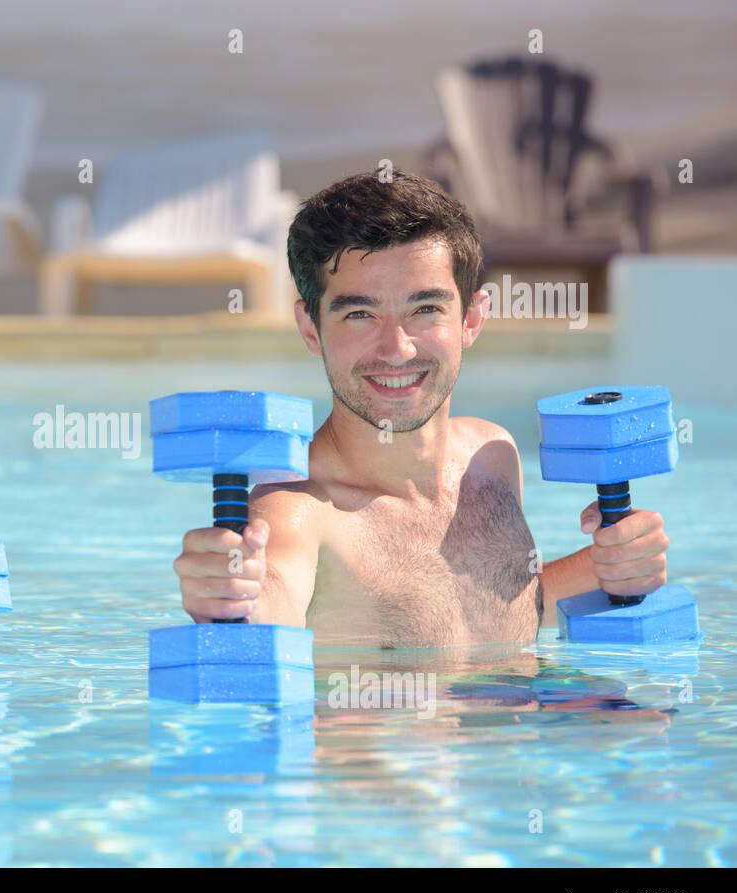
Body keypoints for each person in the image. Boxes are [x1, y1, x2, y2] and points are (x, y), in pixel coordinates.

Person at [173, 169, 670, 646]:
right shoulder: (298, 512)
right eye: (360, 313)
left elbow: (489, 615)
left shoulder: (491, 454)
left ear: (472, 318)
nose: (397, 348)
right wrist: (232, 595)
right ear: (310, 328)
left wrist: (613, 562)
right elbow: (270, 599)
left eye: (425, 309)